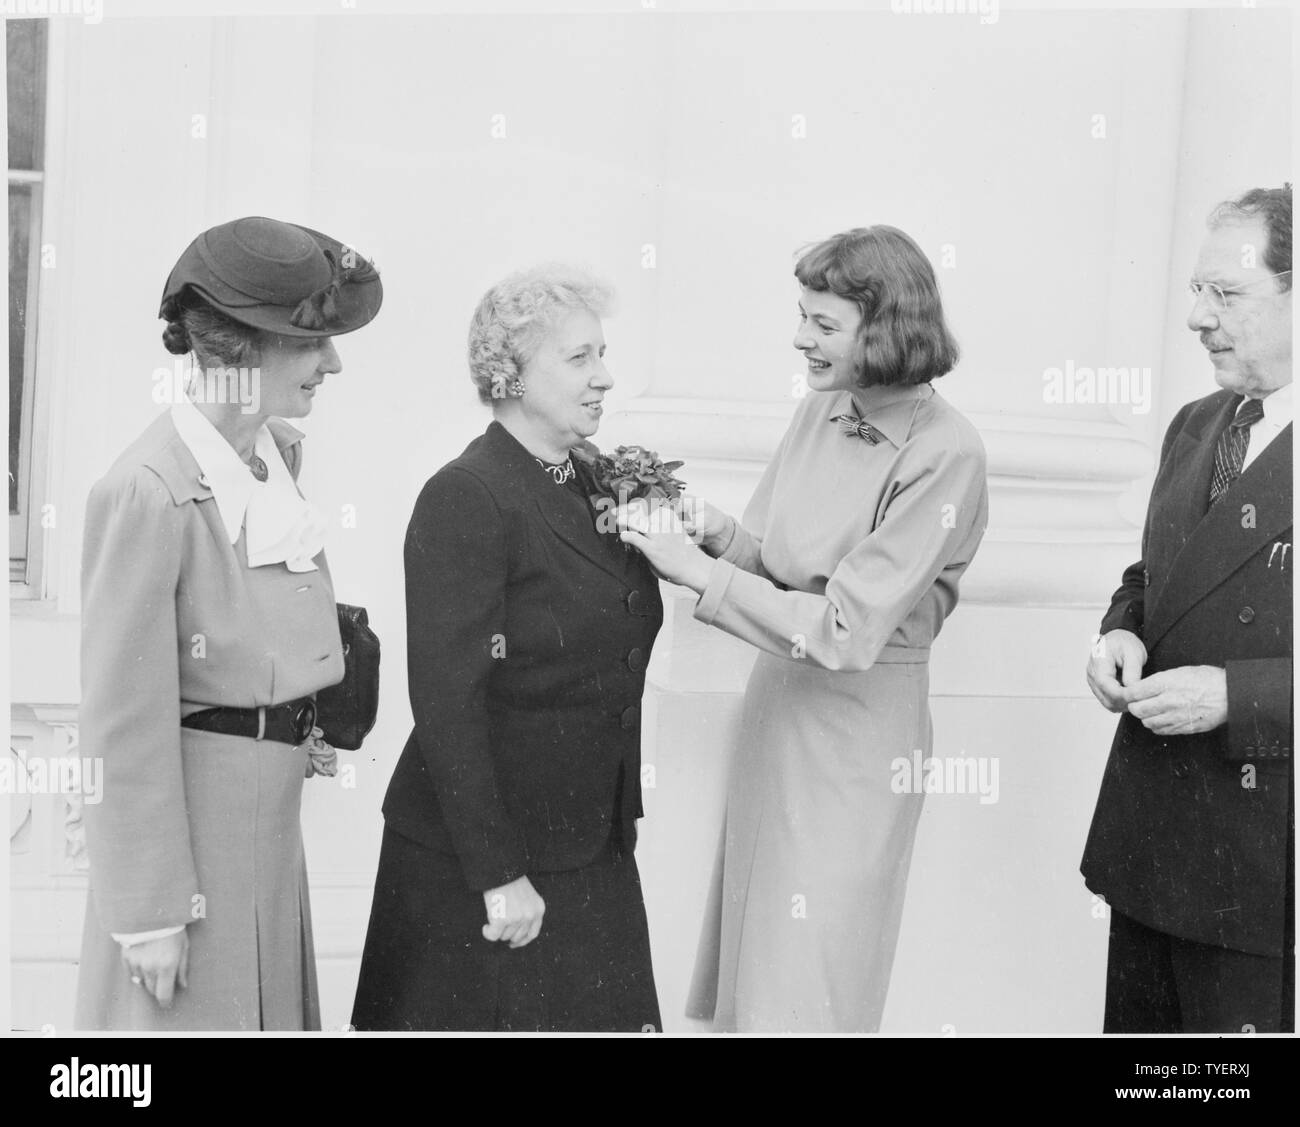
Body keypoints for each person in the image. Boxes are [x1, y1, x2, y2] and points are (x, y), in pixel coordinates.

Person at [620, 226, 988, 1032]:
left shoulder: (947, 452)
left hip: (855, 741)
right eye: (803, 317)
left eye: (823, 325)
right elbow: (775, 561)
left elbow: (847, 629)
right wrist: (706, 527)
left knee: (813, 977)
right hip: (777, 715)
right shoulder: (821, 408)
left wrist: (696, 573)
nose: (800, 338)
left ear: (886, 328)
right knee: (757, 975)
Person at [74, 216, 382, 1030]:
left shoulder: (272, 458)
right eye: (311, 341)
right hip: (190, 861)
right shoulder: (146, 491)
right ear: (243, 348)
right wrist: (150, 912)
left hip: (270, 840)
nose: (333, 362)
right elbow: (120, 723)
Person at [350, 265, 663, 1032]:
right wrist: (499, 877)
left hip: (589, 843)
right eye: (581, 358)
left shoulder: (592, 477)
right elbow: (448, 701)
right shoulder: (467, 494)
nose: (605, 377)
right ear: (510, 374)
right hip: (486, 863)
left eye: (603, 355)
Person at [1082, 185, 1294, 1034]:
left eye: (1227, 294)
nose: (1198, 319)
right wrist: (1119, 630)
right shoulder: (1195, 424)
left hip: (1266, 864)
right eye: (1196, 291)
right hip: (1152, 842)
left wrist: (1235, 695)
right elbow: (1153, 574)